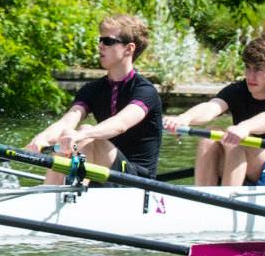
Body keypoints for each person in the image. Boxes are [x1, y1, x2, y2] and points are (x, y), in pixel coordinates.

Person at [26, 14, 165, 185]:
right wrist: (42, 139)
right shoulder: (92, 89)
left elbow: (120, 124)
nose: (100, 45)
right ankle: (49, 193)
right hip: (101, 171)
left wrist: (81, 134)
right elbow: (67, 121)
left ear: (129, 49)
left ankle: (65, 193)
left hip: (136, 179)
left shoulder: (145, 91)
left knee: (84, 132)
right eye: (100, 40)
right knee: (66, 137)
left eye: (108, 41)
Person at [162, 31, 265, 186]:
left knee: (240, 141)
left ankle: (227, 203)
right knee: (211, 136)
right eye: (247, 67)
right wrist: (184, 119)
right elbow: (211, 107)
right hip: (246, 157)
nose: (250, 76)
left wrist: (244, 127)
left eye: (258, 69)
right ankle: (205, 199)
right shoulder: (239, 89)